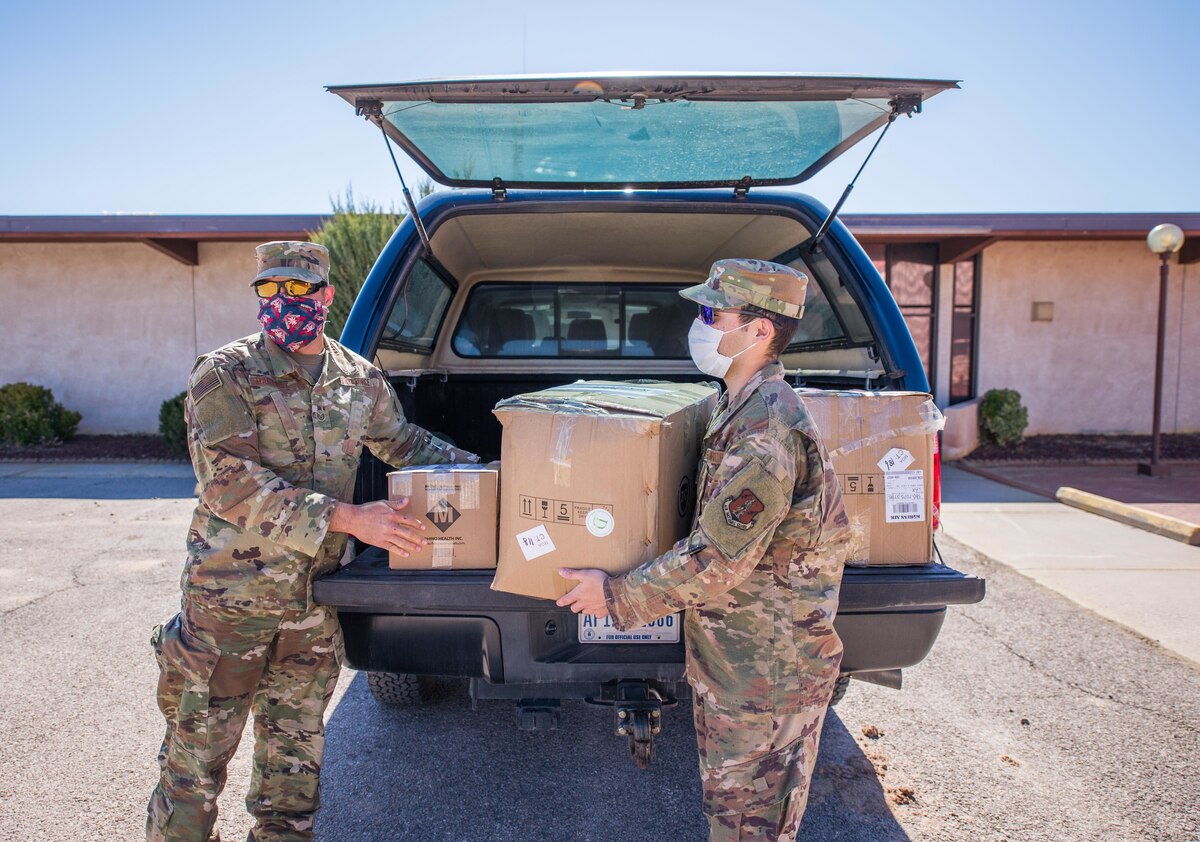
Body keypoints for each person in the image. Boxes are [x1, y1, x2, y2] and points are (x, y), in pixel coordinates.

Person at [147, 241, 478, 842]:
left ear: (324, 296)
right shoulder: (225, 373)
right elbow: (227, 484)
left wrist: (486, 472)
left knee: (292, 766)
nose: (280, 302)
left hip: (311, 605)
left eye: (295, 290)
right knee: (195, 763)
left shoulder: (358, 379)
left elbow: (405, 445)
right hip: (230, 607)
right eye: (267, 290)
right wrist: (351, 518)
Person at [558, 258, 853, 841]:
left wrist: (615, 596)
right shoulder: (735, 407)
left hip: (765, 673)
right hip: (742, 662)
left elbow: (719, 558)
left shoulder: (766, 429)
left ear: (760, 330)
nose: (700, 323)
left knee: (748, 827)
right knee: (735, 818)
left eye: (714, 313)